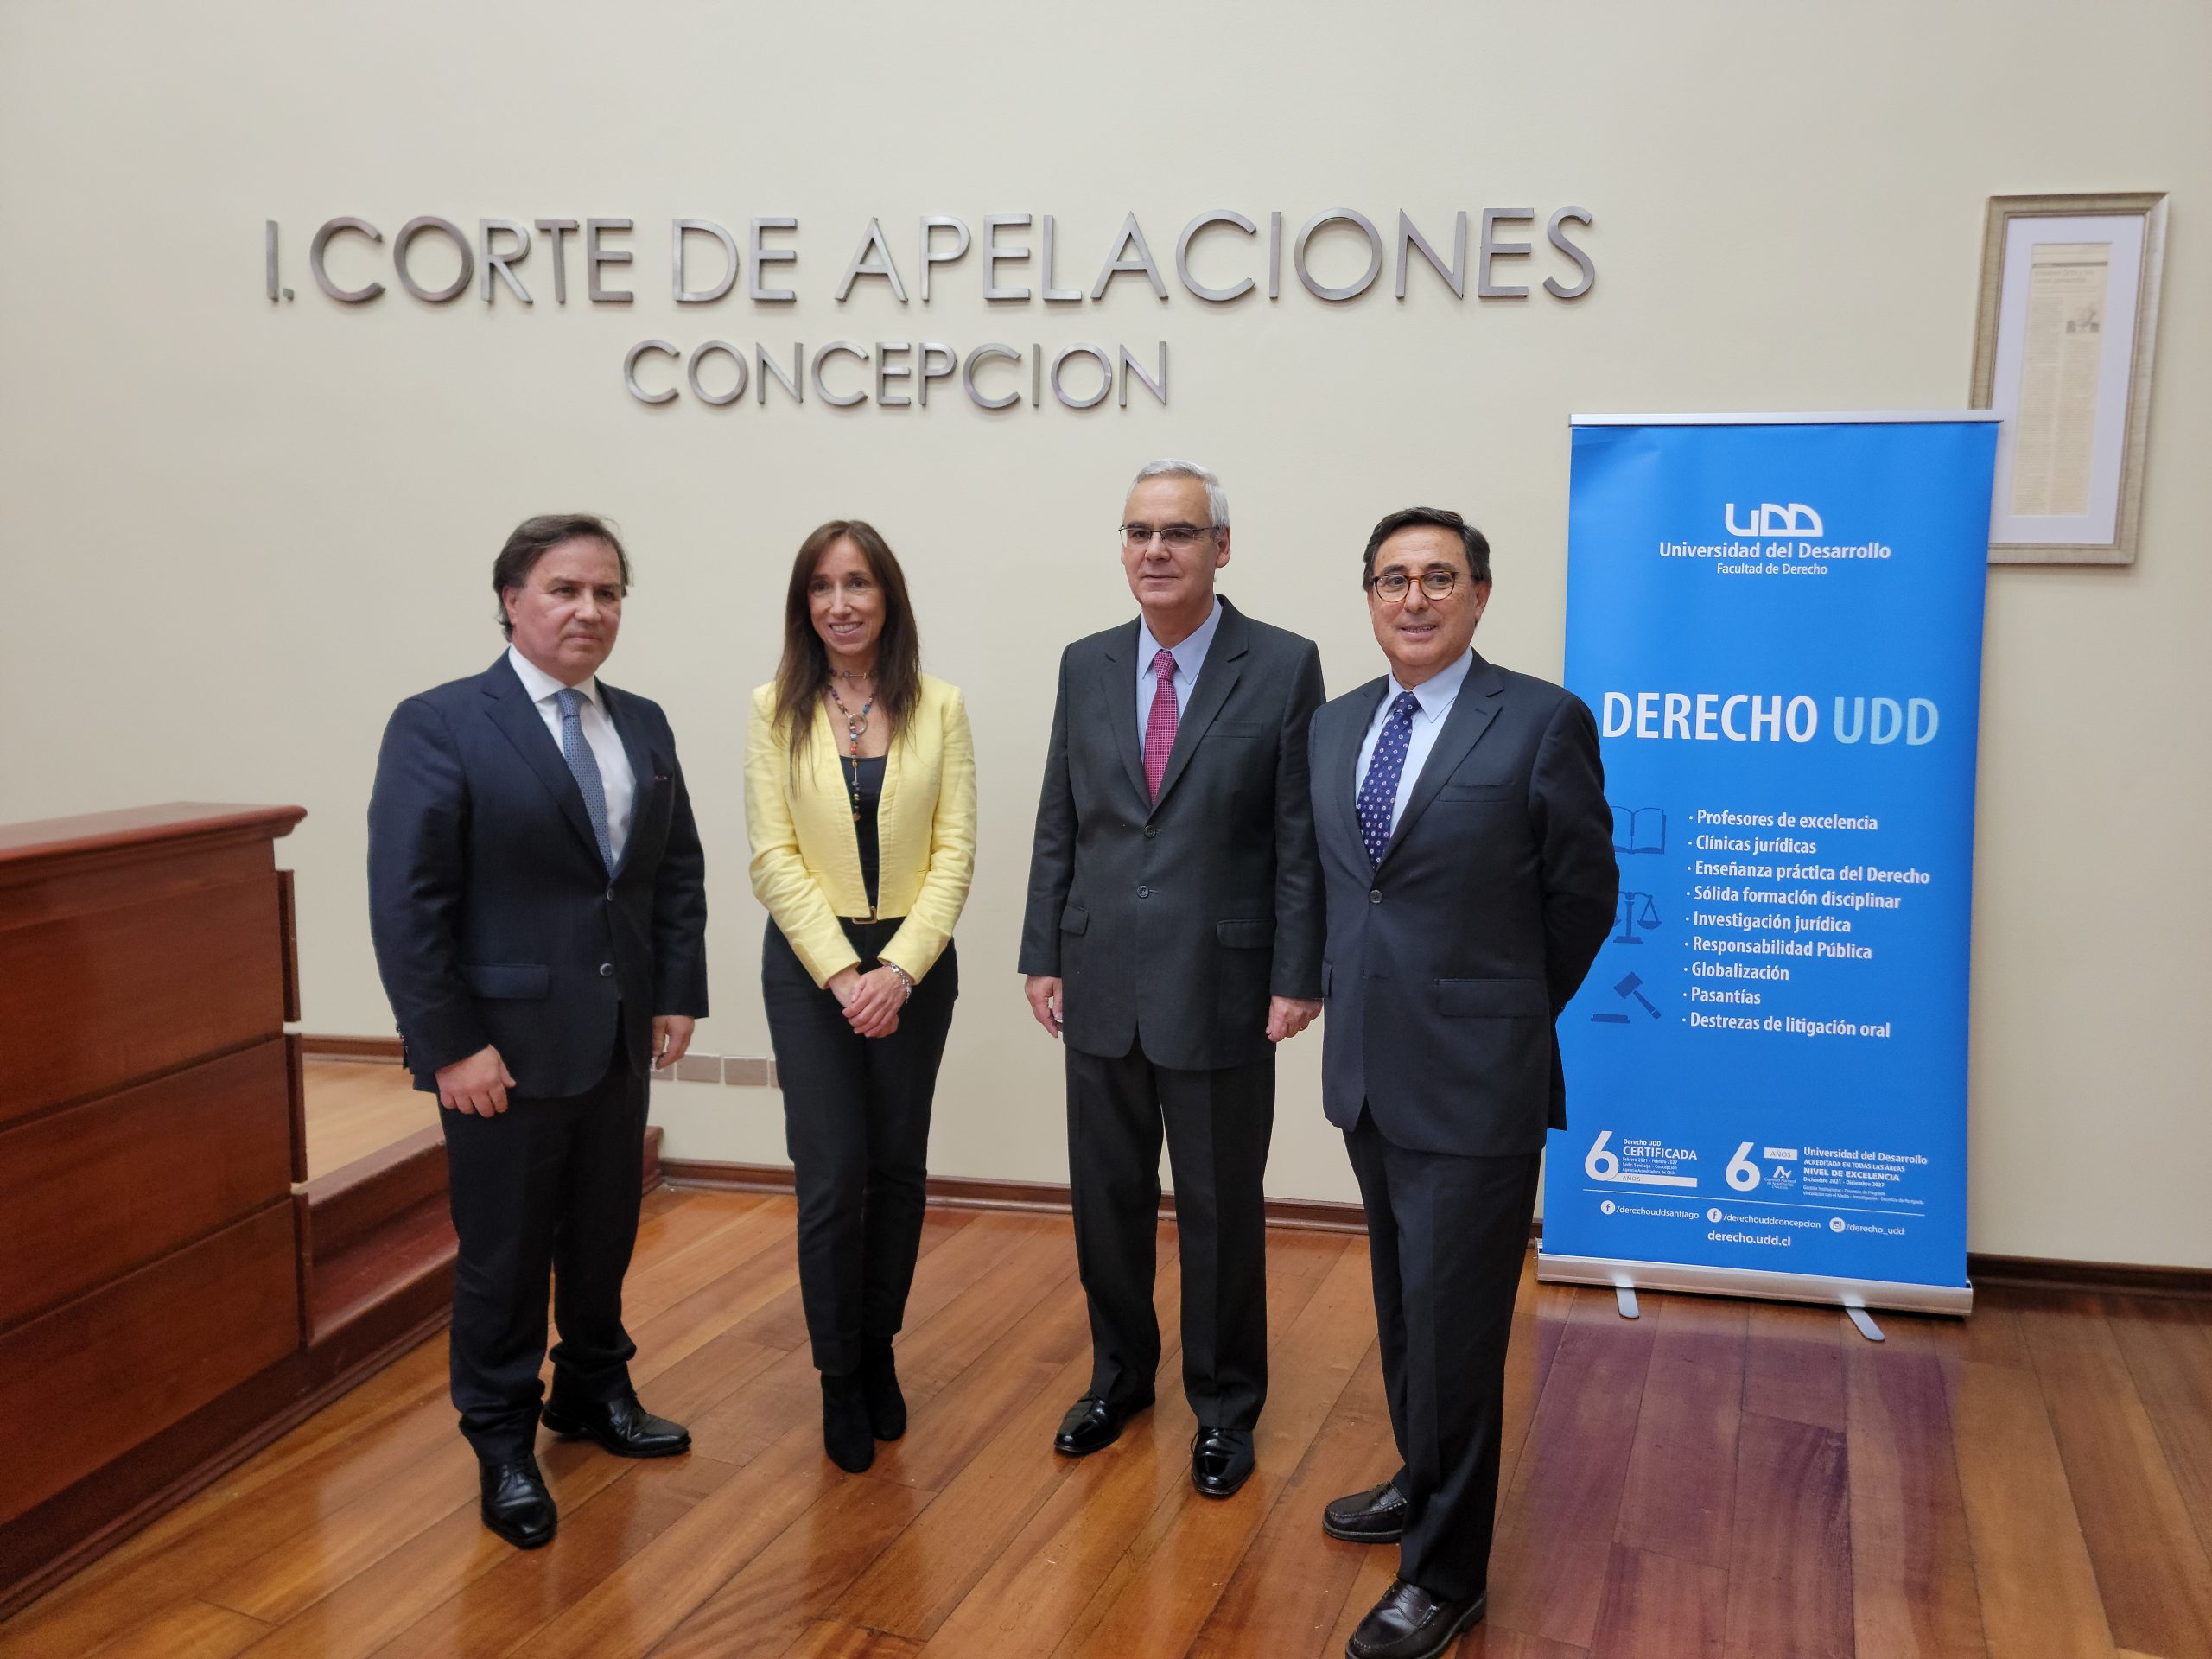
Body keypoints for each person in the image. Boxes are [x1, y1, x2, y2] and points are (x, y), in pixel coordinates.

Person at [1307, 507, 1617, 1659]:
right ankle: (1422, 1479)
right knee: (1405, 1310)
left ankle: (1444, 1577)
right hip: (1370, 1078)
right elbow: (1343, 889)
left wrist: (1503, 1015)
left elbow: (1583, 898)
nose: (1417, 597)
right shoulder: (1336, 727)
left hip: (1479, 1079)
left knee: (1459, 1330)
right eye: (1394, 579)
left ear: (1481, 594)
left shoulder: (1539, 722)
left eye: (1441, 577)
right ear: (1372, 598)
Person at [366, 513, 709, 1551]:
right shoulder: (440, 723)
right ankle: (503, 1436)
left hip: (612, 1037)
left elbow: (672, 872)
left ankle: (592, 1391)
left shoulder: (642, 722)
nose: (588, 612)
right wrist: (447, 1045)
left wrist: (674, 990)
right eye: (565, 590)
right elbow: (408, 902)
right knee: (505, 1254)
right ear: (512, 600)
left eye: (607, 593)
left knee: (603, 1232)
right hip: (498, 1052)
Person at [1019, 458, 1325, 1499]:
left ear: (1220, 549)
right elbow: (1059, 816)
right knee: (1105, 1202)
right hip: (1097, 973)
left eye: (1179, 533)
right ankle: (1119, 1379)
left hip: (1224, 986)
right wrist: (1041, 949)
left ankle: (1226, 1408)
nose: (1155, 550)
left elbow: (1297, 837)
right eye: (1139, 532)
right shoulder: (1084, 662)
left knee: (1218, 1210)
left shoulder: (1282, 666)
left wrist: (1297, 973)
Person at [746, 520, 976, 1473]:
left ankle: (878, 1349)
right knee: (833, 1179)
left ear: (889, 598)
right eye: (822, 586)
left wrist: (899, 971)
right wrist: (846, 974)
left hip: (914, 969)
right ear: (805, 603)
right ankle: (839, 1374)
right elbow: (772, 857)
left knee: (897, 1173)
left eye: (859, 584)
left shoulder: (940, 706)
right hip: (812, 972)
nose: (841, 603)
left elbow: (954, 853)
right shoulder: (772, 709)